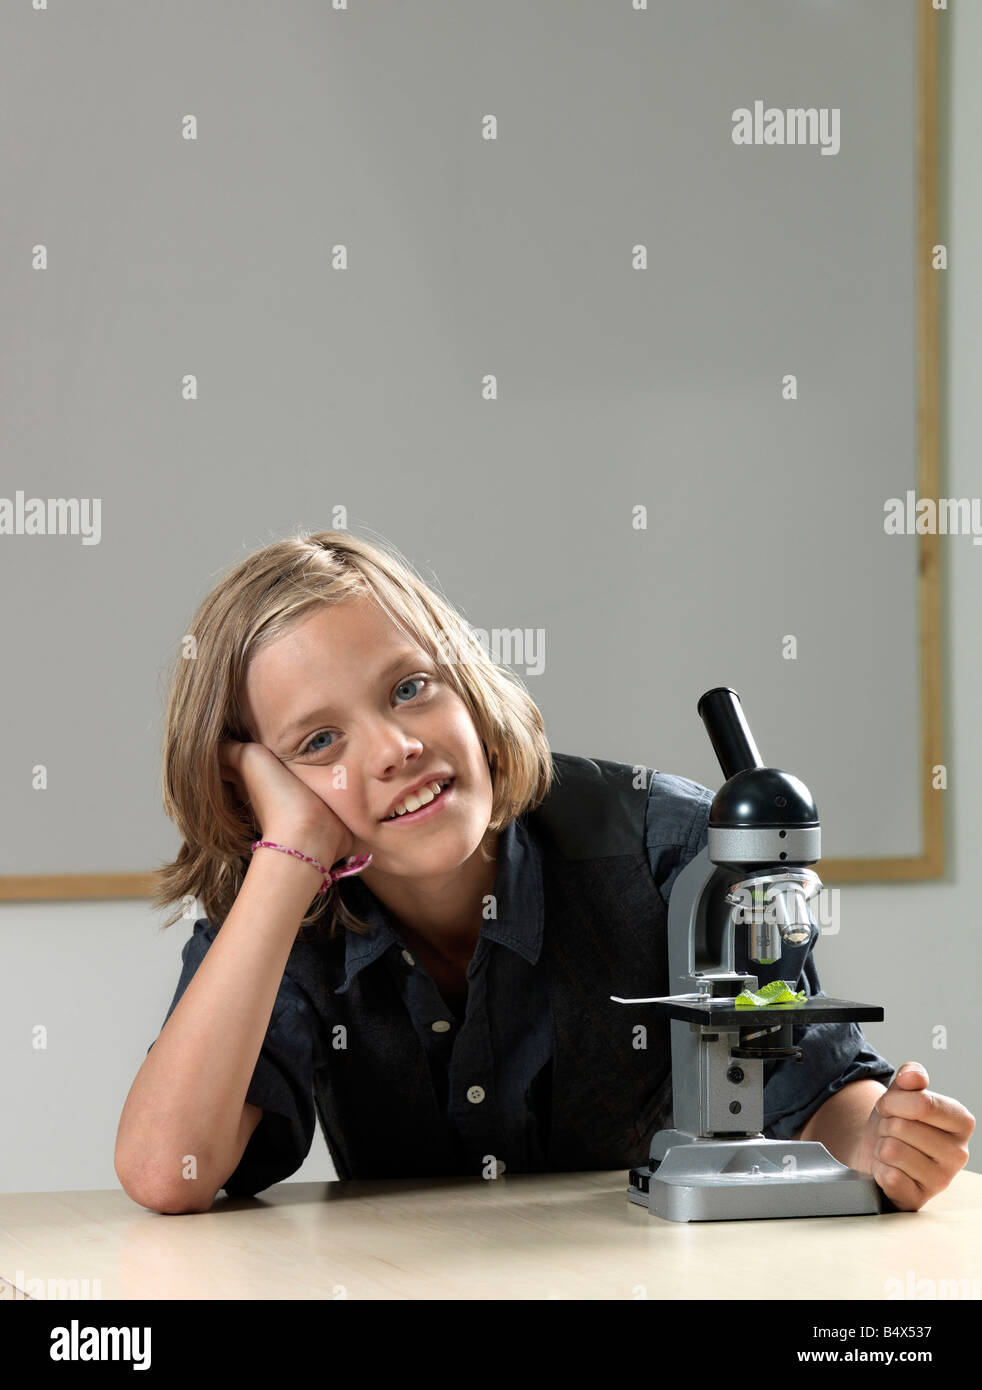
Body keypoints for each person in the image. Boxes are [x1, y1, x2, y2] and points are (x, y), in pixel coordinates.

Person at [114, 530, 974, 1214]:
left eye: (411, 688)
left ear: (469, 684)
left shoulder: (668, 848)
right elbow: (168, 1170)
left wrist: (882, 1144)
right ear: (257, 788)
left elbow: (812, 1086)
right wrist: (287, 853)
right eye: (318, 741)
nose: (395, 747)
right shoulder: (282, 910)